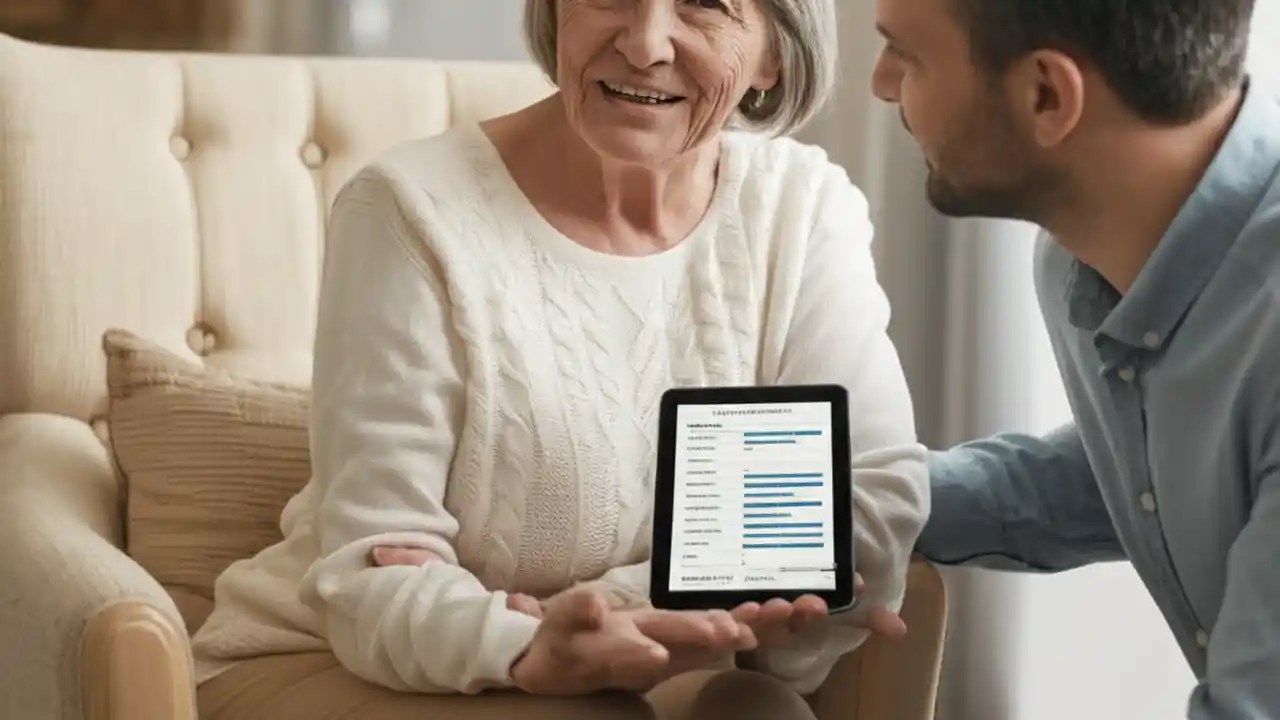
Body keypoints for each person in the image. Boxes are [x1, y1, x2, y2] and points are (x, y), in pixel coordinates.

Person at [190, 1, 929, 718]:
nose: (646, 43)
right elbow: (373, 570)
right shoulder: (409, 212)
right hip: (322, 659)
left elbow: (874, 490)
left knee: (756, 709)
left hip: (638, 671)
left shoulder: (800, 208)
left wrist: (608, 615)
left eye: (704, 4)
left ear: (774, 52)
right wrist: (527, 646)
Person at [871, 0, 1280, 716]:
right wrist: (851, 505)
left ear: (1046, 95)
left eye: (906, 55)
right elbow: (1153, 469)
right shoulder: (1078, 260)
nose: (880, 83)